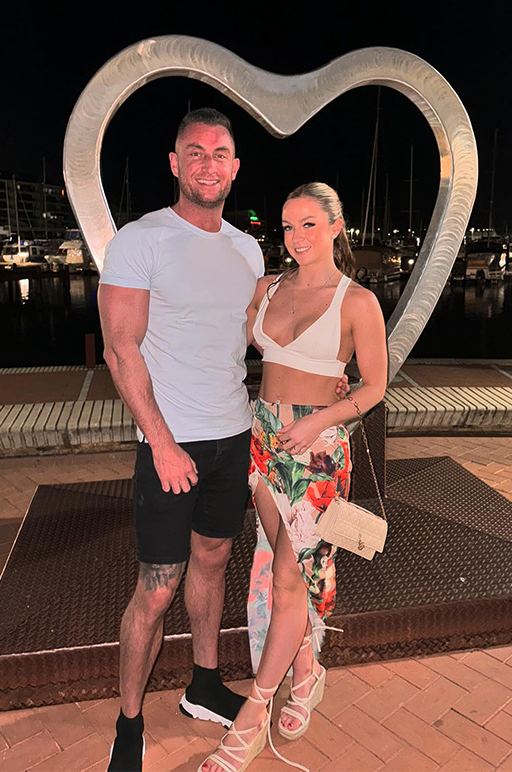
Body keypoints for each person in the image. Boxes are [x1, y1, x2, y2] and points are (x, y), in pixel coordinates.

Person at [98, 111, 349, 772]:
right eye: (195, 151)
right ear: (175, 163)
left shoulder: (247, 250)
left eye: (221, 152)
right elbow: (120, 348)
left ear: (235, 167)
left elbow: (257, 336)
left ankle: (202, 682)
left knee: (212, 564)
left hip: (236, 437)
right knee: (156, 587)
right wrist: (159, 441)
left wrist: (328, 371)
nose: (209, 162)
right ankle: (128, 724)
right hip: (169, 445)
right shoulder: (141, 238)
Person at [200, 182, 388, 772]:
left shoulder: (357, 302)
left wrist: (321, 419)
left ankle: (252, 717)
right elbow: (236, 350)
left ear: (336, 227)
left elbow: (375, 388)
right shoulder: (267, 288)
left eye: (309, 224)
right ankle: (306, 670)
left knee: (288, 575)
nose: (296, 237)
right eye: (286, 226)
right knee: (284, 568)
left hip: (319, 453)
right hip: (263, 442)